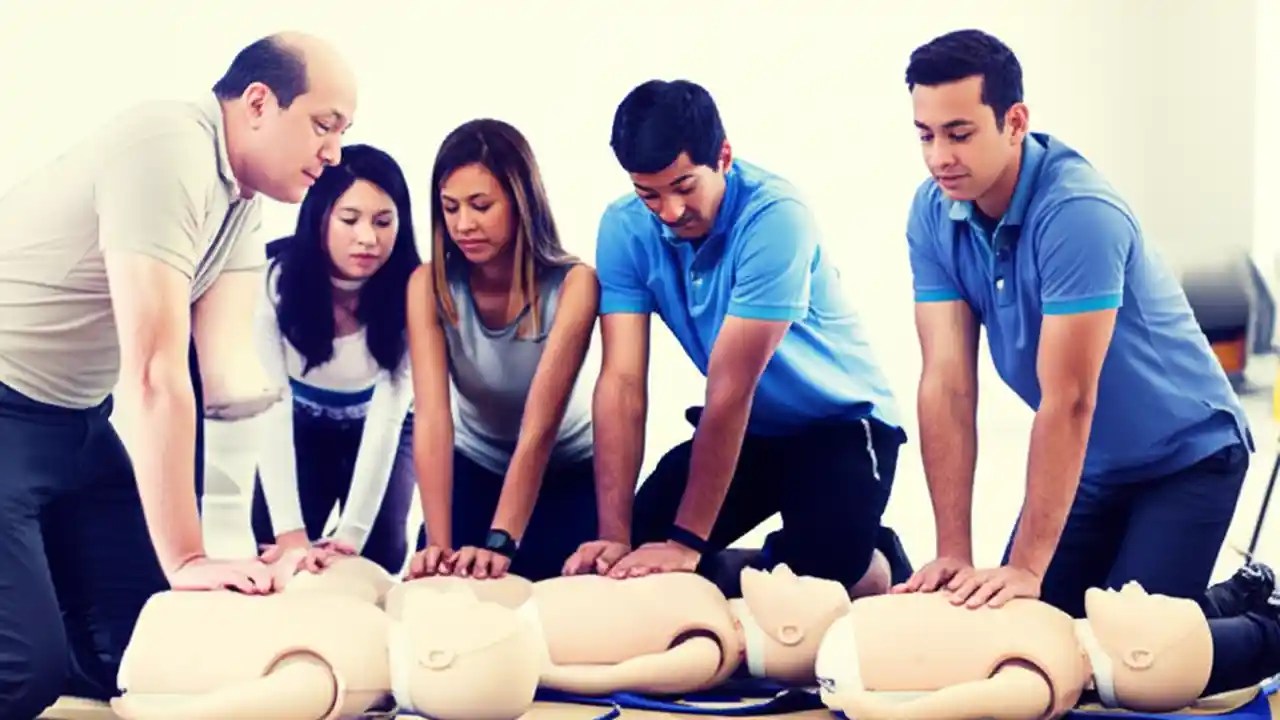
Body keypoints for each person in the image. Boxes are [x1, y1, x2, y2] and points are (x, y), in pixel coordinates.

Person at [0, 31, 357, 717]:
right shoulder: (167, 148)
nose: (334, 153)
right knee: (22, 676)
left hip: (76, 424)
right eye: (324, 125)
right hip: (6, 409)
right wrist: (189, 557)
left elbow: (226, 383)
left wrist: (288, 541)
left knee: (140, 657)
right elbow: (157, 374)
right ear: (259, 103)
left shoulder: (242, 202)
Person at [894, 29, 1253, 618]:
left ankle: (1263, 614)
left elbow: (1071, 399)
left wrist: (1028, 568)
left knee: (1129, 655)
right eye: (926, 135)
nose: (939, 157)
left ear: (1014, 122)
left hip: (1185, 458)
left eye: (959, 134)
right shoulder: (932, 212)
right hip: (1091, 466)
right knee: (1013, 629)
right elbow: (948, 385)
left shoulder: (1077, 212)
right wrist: (954, 551)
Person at [562, 79, 910, 599]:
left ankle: (874, 559)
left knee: (819, 574)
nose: (670, 212)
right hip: (749, 434)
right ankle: (741, 567)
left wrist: (687, 544)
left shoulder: (776, 216)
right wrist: (614, 536)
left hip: (836, 425)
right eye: (649, 194)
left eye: (684, 187)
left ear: (723, 156)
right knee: (632, 555)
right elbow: (622, 382)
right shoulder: (623, 228)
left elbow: (731, 388)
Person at [404, 118, 600, 582]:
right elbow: (432, 418)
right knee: (442, 589)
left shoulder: (575, 284)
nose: (463, 224)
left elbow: (539, 427)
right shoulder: (427, 285)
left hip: (569, 472)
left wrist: (501, 539)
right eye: (450, 208)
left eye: (481, 205)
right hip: (475, 468)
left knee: (553, 603)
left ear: (521, 202)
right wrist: (438, 542)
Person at [249, 143, 421, 576]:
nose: (368, 238)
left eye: (384, 222)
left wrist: (350, 538)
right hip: (298, 421)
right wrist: (290, 534)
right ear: (320, 216)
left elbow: (388, 415)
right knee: (271, 543)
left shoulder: (414, 291)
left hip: (384, 424)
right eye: (350, 219)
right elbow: (270, 404)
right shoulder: (271, 278)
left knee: (380, 553)